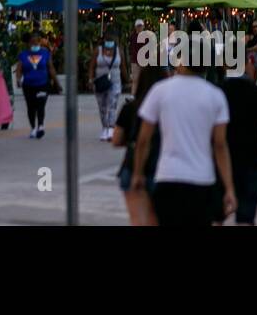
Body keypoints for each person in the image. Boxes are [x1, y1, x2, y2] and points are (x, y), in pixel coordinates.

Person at [132, 46, 235, 227]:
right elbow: (220, 145)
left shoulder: (160, 90)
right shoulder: (216, 96)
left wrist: (138, 173)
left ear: (182, 60)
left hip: (168, 178)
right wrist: (229, 187)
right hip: (202, 181)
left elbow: (143, 140)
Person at [217, 53, 257, 225]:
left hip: (220, 166)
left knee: (217, 216)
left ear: (225, 66)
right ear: (247, 64)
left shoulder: (216, 93)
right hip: (251, 164)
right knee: (246, 218)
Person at [112, 64, 165, 226]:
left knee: (137, 221)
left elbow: (116, 140)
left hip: (131, 166)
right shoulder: (167, 107)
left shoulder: (130, 108)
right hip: (161, 169)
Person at [15, 31, 57, 139]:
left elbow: (50, 67)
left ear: (40, 42)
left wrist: (56, 81)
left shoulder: (45, 53)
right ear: (28, 43)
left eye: (36, 42)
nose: (34, 45)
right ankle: (33, 128)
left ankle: (41, 126)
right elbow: (19, 69)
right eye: (32, 43)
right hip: (28, 85)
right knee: (31, 107)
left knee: (40, 105)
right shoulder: (23, 55)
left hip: (42, 83)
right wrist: (18, 79)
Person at [90, 32, 123, 141]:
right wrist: (91, 79)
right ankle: (104, 127)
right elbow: (92, 66)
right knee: (102, 106)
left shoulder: (118, 50)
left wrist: (128, 79)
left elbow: (123, 67)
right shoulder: (98, 51)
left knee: (112, 105)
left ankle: (111, 128)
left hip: (115, 82)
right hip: (101, 82)